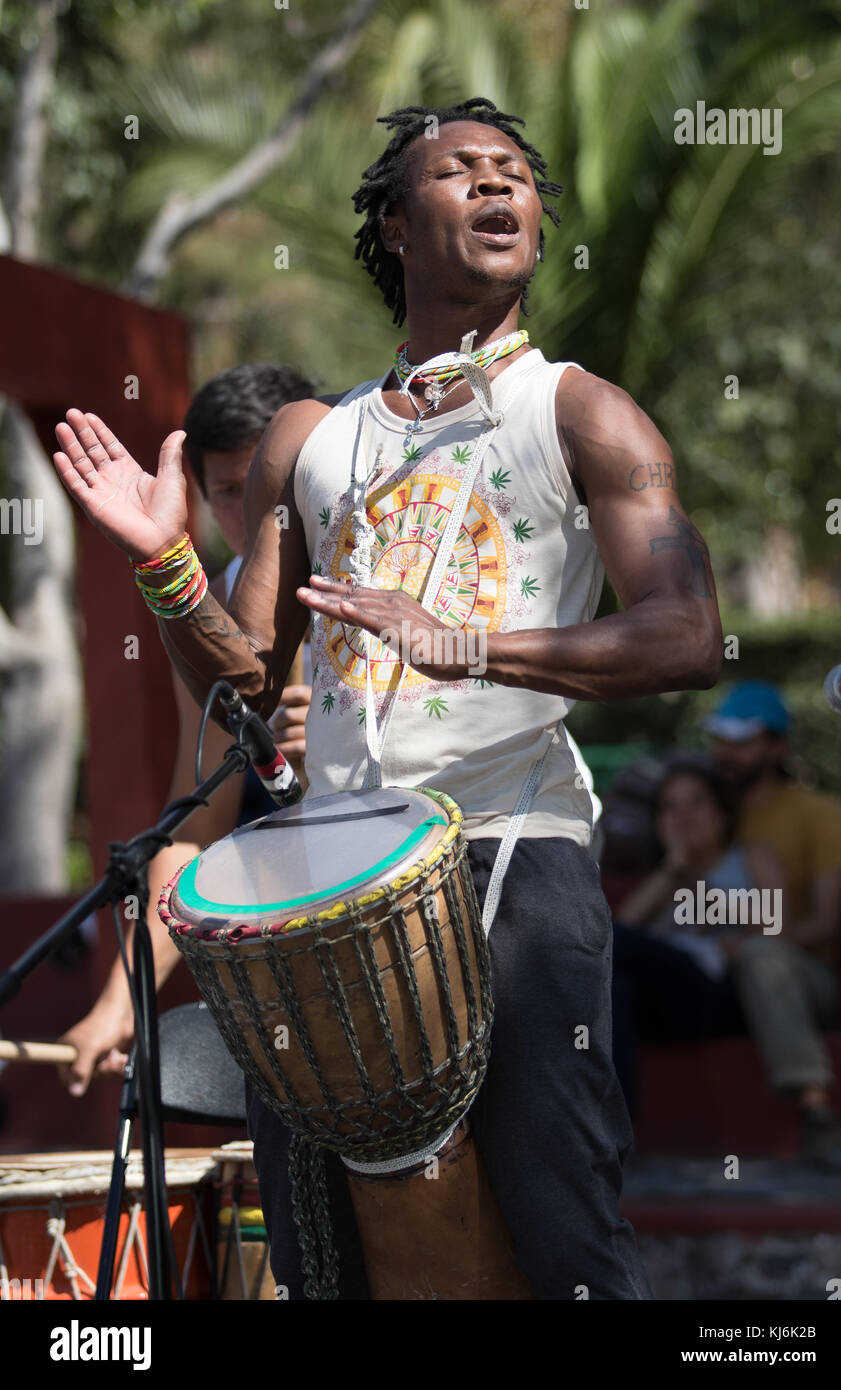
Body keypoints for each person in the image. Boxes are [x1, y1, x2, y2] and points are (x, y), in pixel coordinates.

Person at [51, 94, 726, 1300]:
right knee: (324, 1251)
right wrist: (163, 570)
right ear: (396, 228)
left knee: (557, 1224)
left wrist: (467, 646)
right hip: (323, 877)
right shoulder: (314, 439)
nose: (496, 185)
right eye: (461, 170)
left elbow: (685, 633)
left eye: (513, 173)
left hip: (510, 846)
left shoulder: (577, 409)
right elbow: (246, 685)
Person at [57, 364, 314, 1096]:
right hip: (302, 950)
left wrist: (345, 744)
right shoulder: (212, 612)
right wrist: (120, 1004)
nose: (250, 512)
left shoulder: (388, 566)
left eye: (268, 489)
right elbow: (197, 828)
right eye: (229, 492)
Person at [706, 680, 841, 1167]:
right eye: (721, 739)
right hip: (712, 976)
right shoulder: (705, 811)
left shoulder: (818, 815)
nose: (727, 753)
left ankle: (817, 1113)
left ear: (779, 746)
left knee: (762, 956)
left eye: (743, 741)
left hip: (803, 979)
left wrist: (749, 943)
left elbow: (825, 924)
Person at [612, 760, 782, 1116]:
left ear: (722, 811)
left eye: (696, 802)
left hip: (719, 992)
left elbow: (774, 920)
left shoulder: (751, 855)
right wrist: (674, 867)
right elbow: (616, 935)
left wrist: (699, 891)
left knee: (611, 948)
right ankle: (617, 1132)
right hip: (666, 1001)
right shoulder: (664, 874)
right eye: (670, 807)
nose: (683, 816)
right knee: (617, 985)